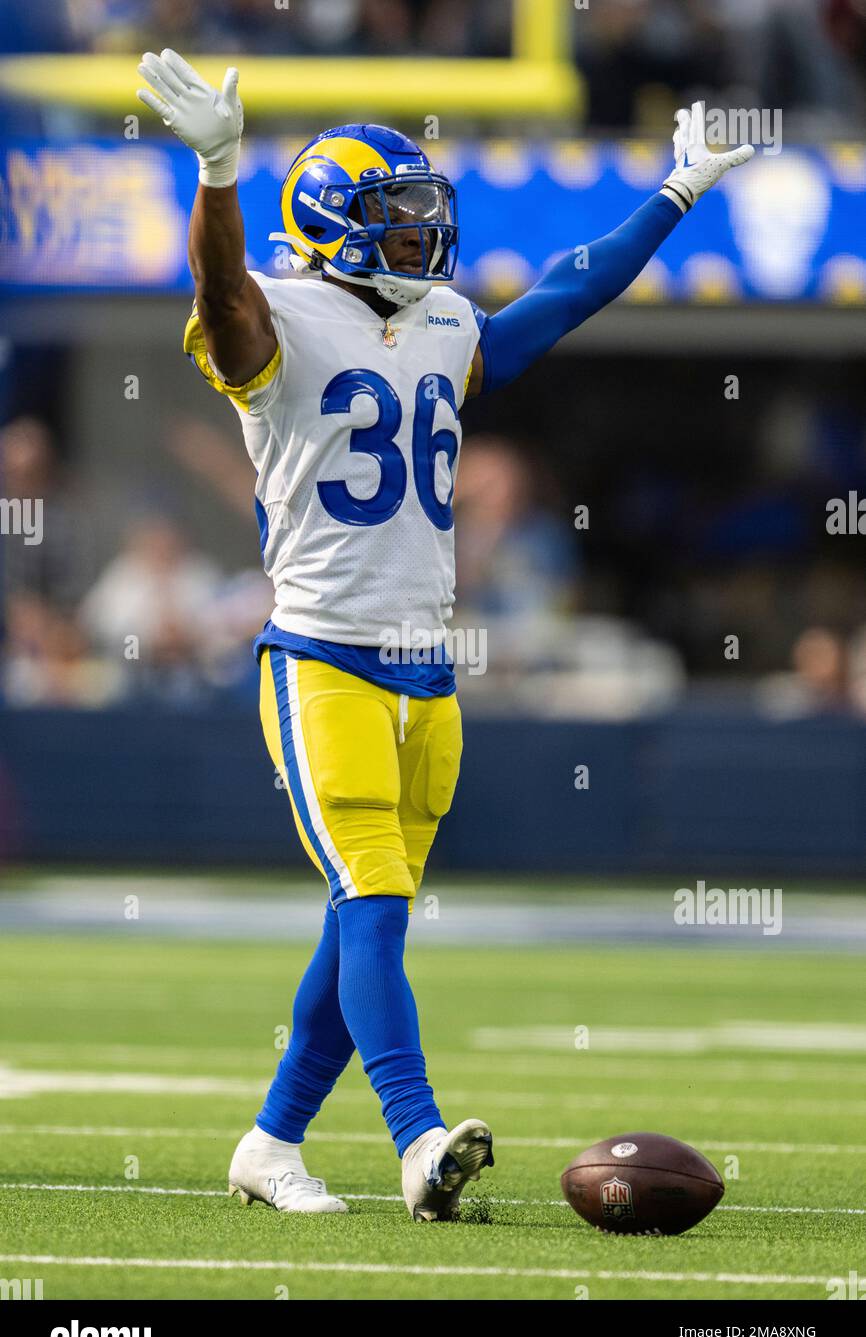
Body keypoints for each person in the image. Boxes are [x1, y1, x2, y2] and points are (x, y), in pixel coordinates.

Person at [136, 48, 753, 1221]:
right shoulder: (275, 319)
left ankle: (270, 1143)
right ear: (329, 224)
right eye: (394, 216)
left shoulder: (440, 321)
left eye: (425, 214)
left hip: (428, 669)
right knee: (370, 898)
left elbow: (563, 296)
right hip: (320, 660)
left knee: (361, 917)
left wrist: (671, 197)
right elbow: (222, 300)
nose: (421, 236)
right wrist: (217, 171)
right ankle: (419, 1140)